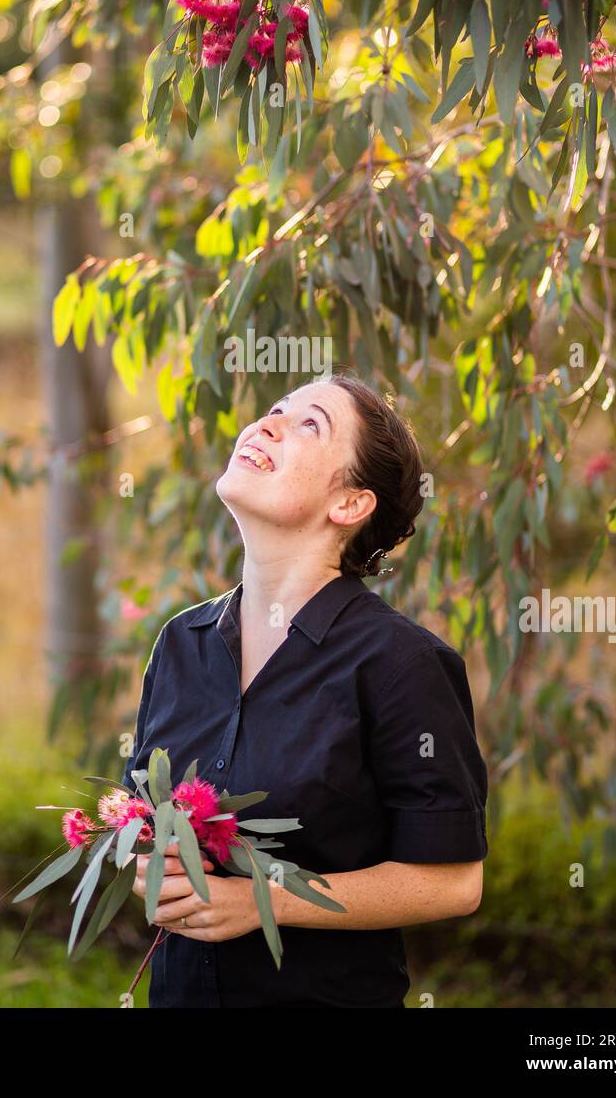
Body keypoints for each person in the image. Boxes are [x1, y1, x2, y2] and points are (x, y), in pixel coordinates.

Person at [124, 370, 489, 1007]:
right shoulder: (181, 643)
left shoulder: (403, 665)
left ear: (349, 504)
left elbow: (453, 882)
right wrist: (152, 869)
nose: (267, 424)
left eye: (309, 425)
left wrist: (262, 902)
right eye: (275, 410)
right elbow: (144, 833)